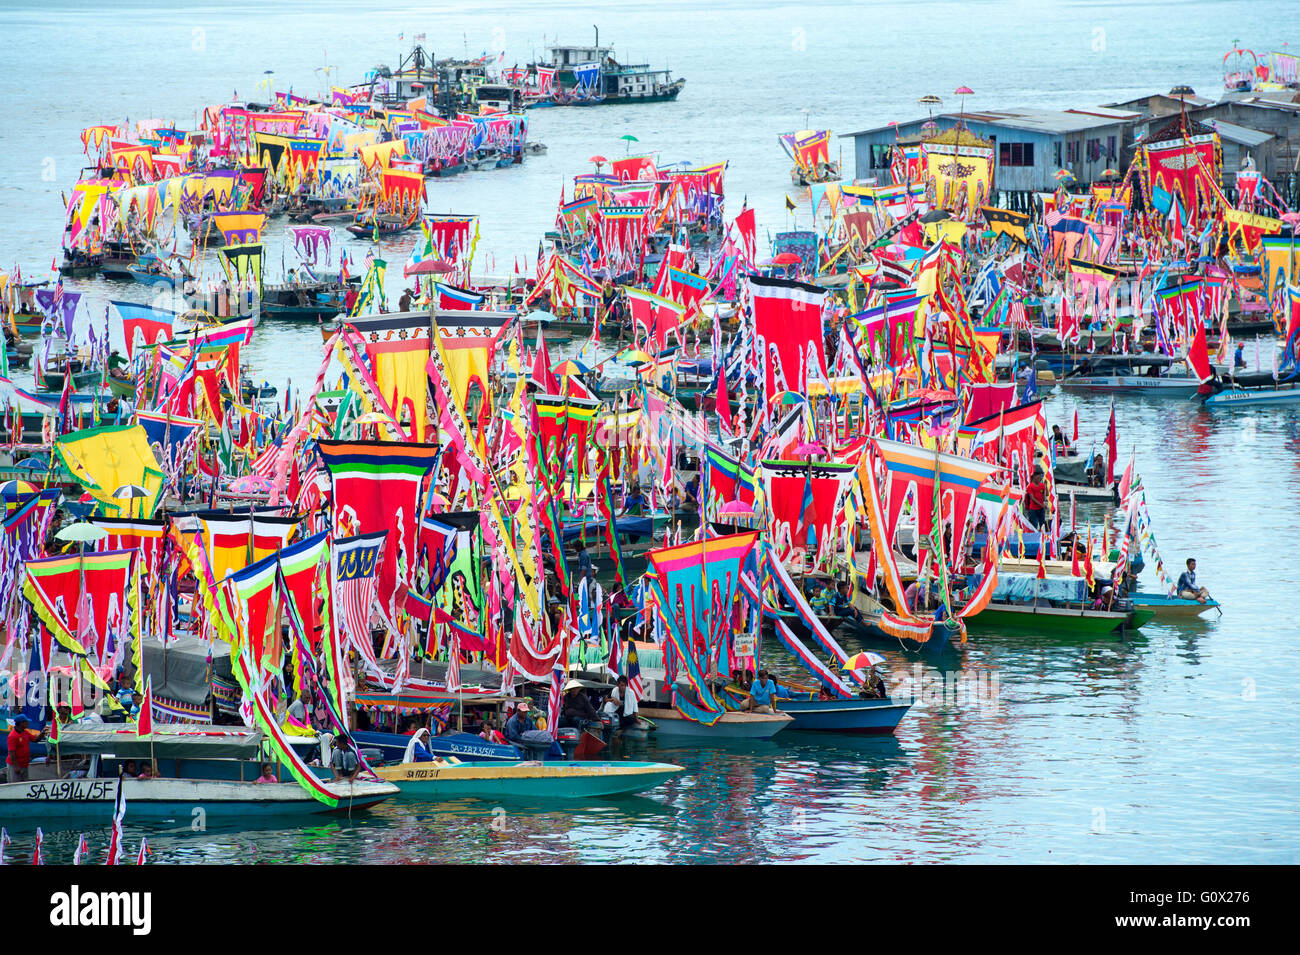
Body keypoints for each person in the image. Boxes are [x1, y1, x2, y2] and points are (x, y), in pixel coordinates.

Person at [5, 714, 43, 783]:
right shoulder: (12, 736)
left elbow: (35, 739)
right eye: (26, 722)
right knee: (15, 785)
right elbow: (11, 753)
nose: (28, 723)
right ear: (21, 723)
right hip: (15, 765)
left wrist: (43, 733)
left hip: (24, 764)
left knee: (24, 783)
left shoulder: (25, 732)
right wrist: (16, 766)